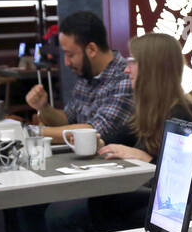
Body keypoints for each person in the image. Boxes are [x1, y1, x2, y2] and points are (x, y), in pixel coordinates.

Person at [47, 31, 192, 232]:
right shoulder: (147, 108)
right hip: (140, 193)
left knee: (63, 215)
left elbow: (185, 180)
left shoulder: (184, 115)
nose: (126, 69)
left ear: (152, 69)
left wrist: (148, 158)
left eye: (133, 62)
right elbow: (117, 140)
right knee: (68, 208)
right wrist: (99, 143)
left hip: (169, 209)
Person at [25, 10, 135, 144]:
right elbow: (67, 119)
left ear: (92, 50)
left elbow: (94, 132)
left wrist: (30, 132)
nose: (66, 62)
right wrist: (44, 107)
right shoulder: (87, 73)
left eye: (70, 55)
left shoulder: (124, 77)